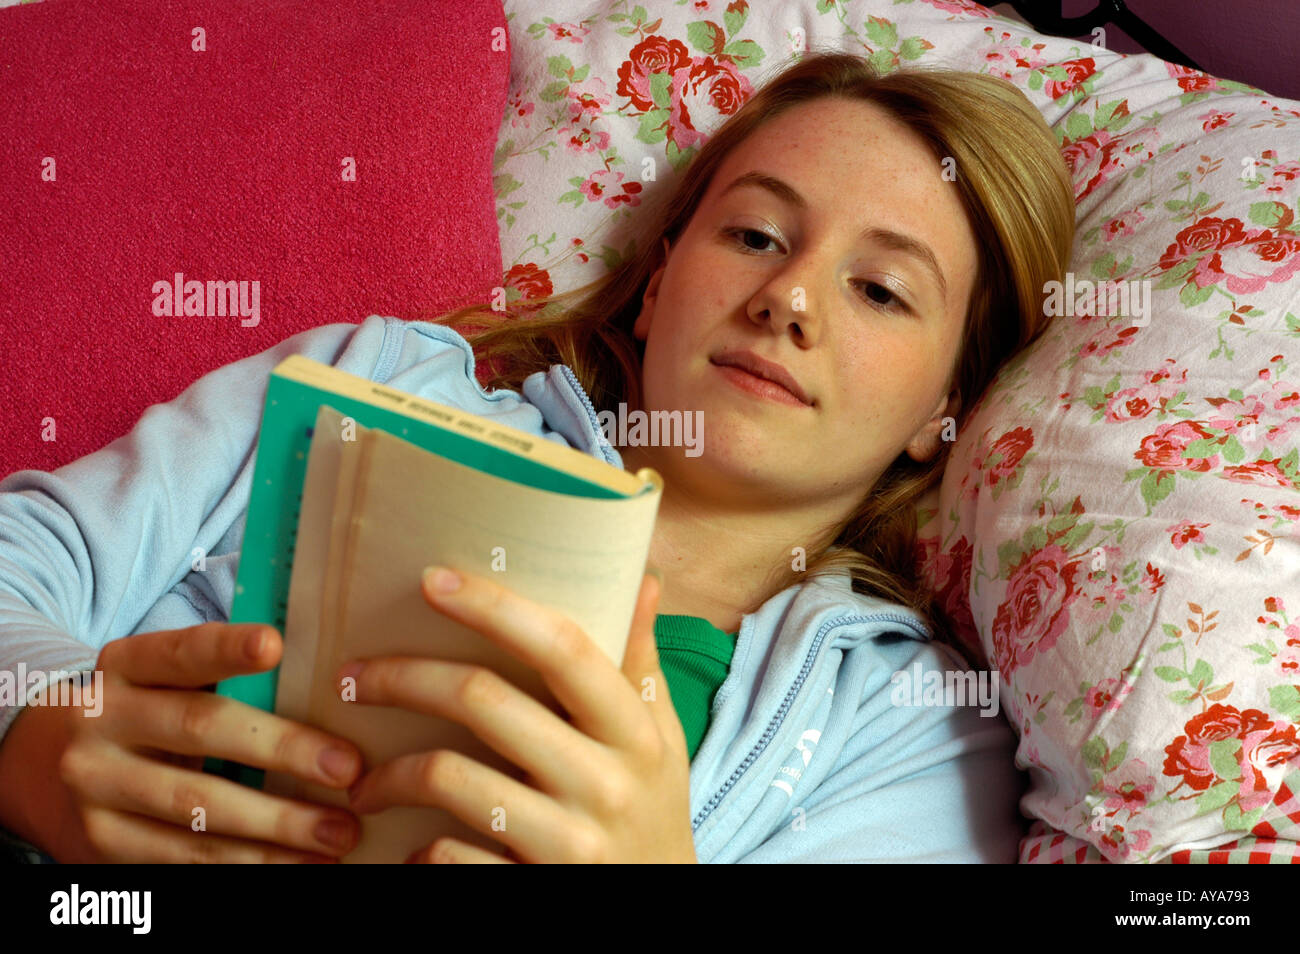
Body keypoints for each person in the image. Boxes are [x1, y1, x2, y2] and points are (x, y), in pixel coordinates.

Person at [0, 50, 1074, 863]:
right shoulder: (375, 384)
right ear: (657, 286)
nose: (786, 297)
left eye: (880, 290)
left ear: (946, 407)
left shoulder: (908, 729)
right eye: (753, 235)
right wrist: (33, 726)